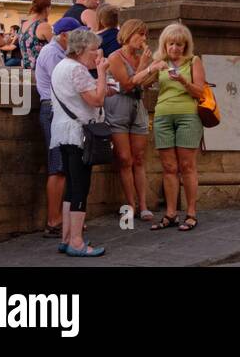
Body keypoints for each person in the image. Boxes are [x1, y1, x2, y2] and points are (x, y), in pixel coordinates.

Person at [49, 26, 109, 257]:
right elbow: (96, 100)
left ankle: (67, 237)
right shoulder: (78, 70)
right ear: (81, 49)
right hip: (78, 133)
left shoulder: (61, 67)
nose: (97, 54)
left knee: (71, 187)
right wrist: (102, 73)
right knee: (80, 187)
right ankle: (76, 241)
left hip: (63, 131)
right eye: (94, 49)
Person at [150, 23, 207, 231]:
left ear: (186, 46)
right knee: (169, 167)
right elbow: (140, 82)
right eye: (171, 44)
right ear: (165, 44)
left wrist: (183, 80)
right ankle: (171, 213)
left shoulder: (193, 61)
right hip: (163, 116)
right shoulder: (159, 62)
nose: (175, 48)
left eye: (179, 45)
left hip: (187, 116)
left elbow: (200, 92)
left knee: (187, 166)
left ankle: (191, 212)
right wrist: (149, 67)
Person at [106, 19, 163, 222]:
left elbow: (142, 85)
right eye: (140, 34)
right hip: (119, 108)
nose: (143, 39)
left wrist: (150, 71)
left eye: (145, 35)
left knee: (139, 158)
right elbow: (128, 84)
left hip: (137, 108)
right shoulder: (115, 57)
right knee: (125, 159)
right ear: (129, 34)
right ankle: (130, 205)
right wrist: (146, 66)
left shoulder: (139, 57)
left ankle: (144, 205)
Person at [35, 16, 80, 236]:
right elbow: (64, 83)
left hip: (57, 110)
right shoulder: (53, 53)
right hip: (54, 110)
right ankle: (53, 221)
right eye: (76, 34)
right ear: (64, 36)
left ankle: (61, 219)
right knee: (58, 167)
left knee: (62, 167)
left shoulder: (58, 51)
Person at [16, 0, 55, 70]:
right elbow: (58, 47)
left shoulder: (23, 24)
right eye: (50, 7)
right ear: (46, 8)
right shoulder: (43, 26)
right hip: (40, 73)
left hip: (25, 71)